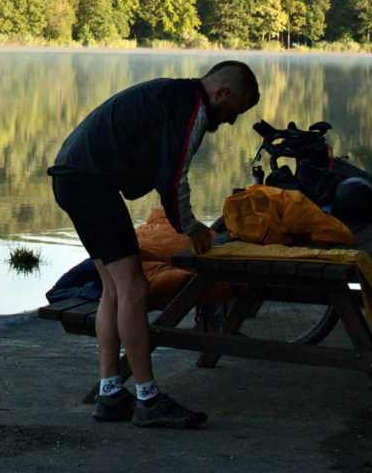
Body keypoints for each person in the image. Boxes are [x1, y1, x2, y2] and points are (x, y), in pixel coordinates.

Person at [48, 60, 260, 429]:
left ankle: (111, 393)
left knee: (113, 289)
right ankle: (148, 399)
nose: (230, 121)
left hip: (72, 178)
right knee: (134, 288)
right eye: (233, 111)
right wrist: (191, 228)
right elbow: (173, 180)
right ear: (220, 92)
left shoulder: (174, 95)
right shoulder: (191, 106)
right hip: (89, 183)